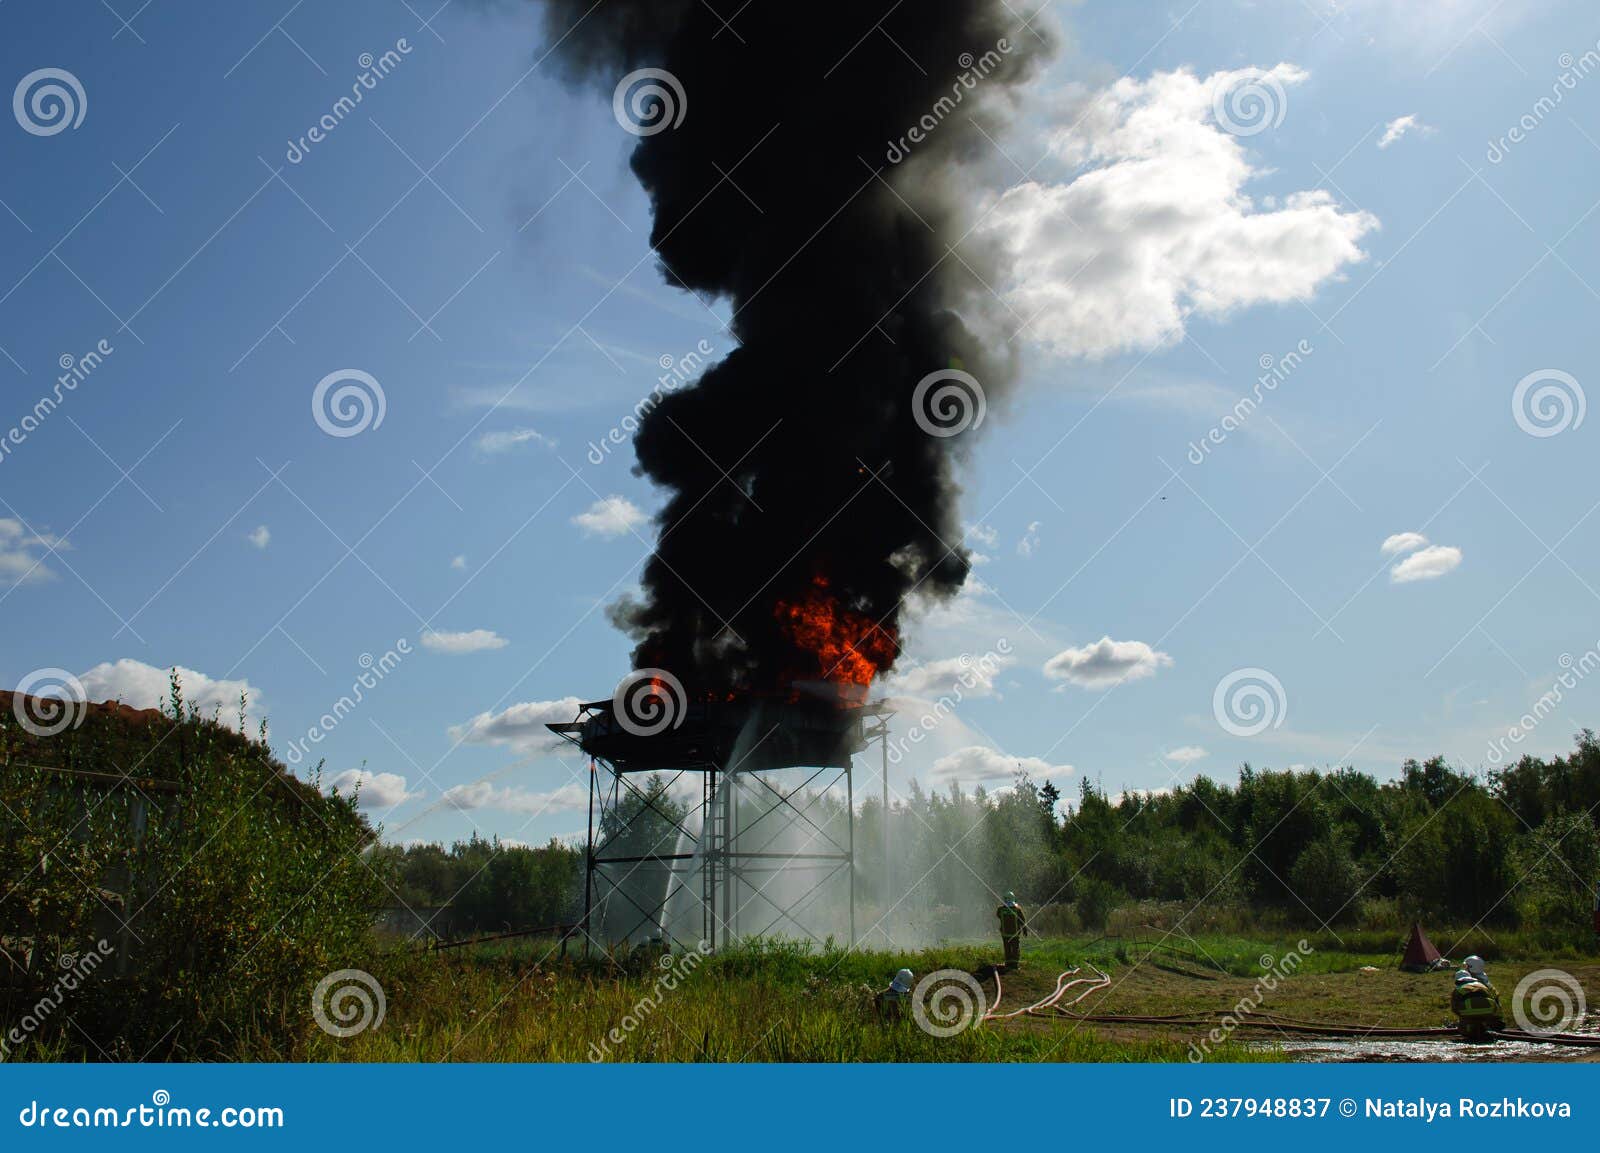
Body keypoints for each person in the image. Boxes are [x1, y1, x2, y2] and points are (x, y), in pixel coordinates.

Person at [996, 891, 1028, 970]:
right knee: (1015, 948)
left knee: (1007, 948)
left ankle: (1008, 963)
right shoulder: (1017, 909)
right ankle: (1014, 965)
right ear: (1013, 899)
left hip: (1005, 934)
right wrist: (1024, 930)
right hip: (1015, 933)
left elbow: (998, 915)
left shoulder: (1000, 909)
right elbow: (1022, 921)